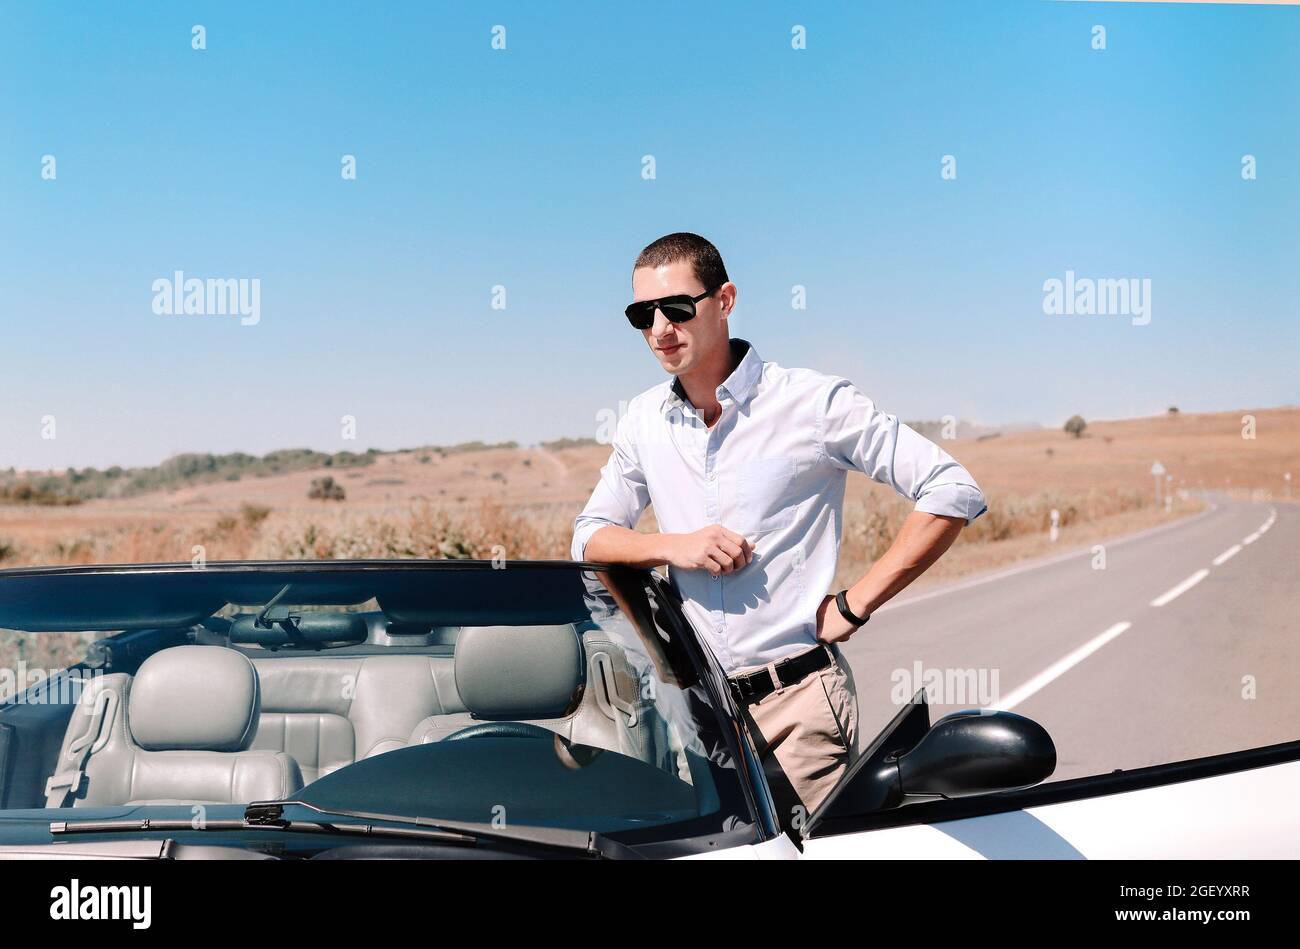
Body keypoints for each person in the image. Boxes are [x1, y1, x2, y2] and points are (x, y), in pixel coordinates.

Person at [571, 232, 987, 822]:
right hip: (694, 713)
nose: (660, 327)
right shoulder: (643, 420)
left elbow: (953, 490)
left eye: (678, 307)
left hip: (799, 709)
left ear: (726, 299)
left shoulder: (813, 403)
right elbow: (589, 535)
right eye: (643, 314)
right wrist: (675, 547)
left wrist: (855, 603)